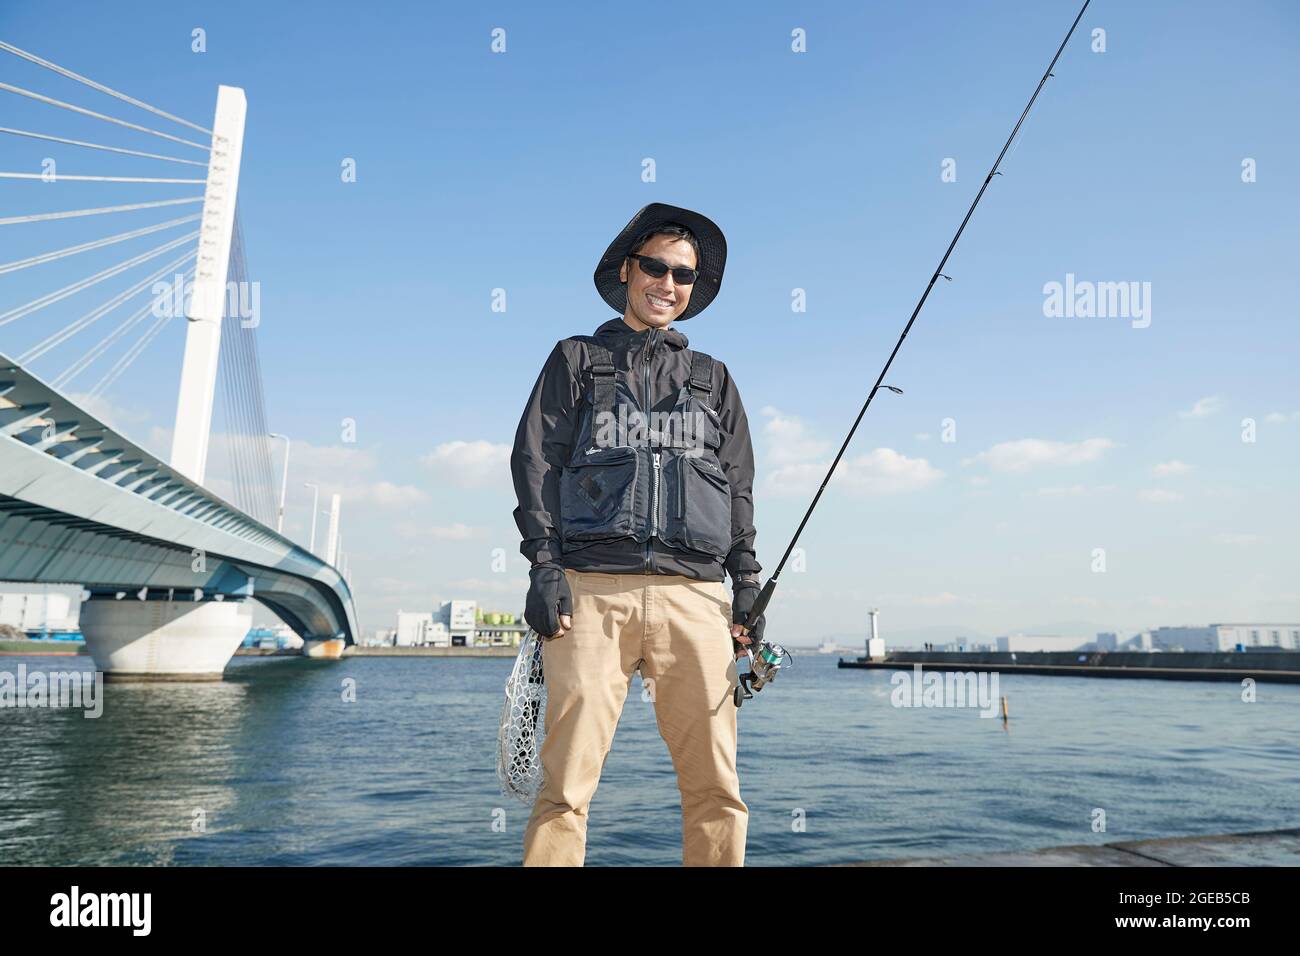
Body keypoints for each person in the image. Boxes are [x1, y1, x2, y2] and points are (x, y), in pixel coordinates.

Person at [510, 202, 765, 866]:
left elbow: (737, 489)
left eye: (683, 275)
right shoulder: (576, 360)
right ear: (627, 269)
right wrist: (544, 567)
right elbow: (535, 463)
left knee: (716, 787)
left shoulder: (714, 379)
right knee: (565, 787)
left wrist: (747, 590)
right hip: (590, 595)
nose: (668, 284)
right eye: (655, 267)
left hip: (696, 600)